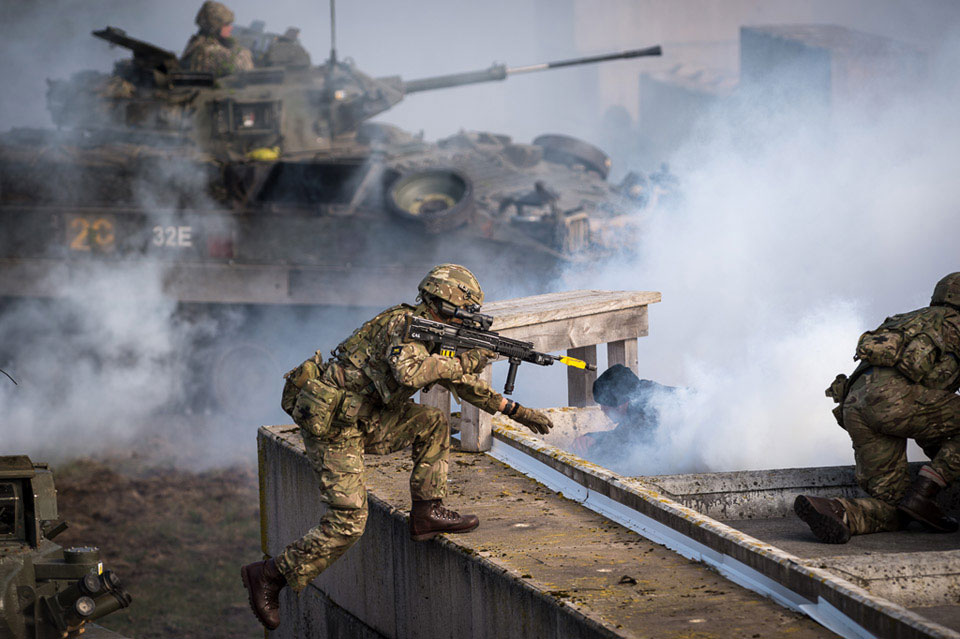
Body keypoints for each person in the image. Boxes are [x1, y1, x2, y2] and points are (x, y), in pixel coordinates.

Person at [240, 264, 553, 630]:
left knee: (433, 422)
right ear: (444, 302)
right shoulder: (404, 326)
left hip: (367, 417)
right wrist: (465, 361)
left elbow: (462, 383)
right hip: (336, 426)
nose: (468, 317)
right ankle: (271, 574)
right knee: (349, 521)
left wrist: (515, 410)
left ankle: (426, 512)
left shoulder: (433, 332)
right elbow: (411, 373)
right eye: (464, 309)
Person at [795, 272, 960, 544]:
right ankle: (924, 493)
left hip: (856, 407)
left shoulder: (907, 319)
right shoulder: (955, 324)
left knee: (898, 506)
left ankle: (837, 511)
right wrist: (945, 465)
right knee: (916, 498)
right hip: (895, 402)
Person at [570, 364, 675, 469]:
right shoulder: (638, 391)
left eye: (604, 404)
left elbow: (620, 444)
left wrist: (592, 444)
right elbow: (620, 434)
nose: (602, 409)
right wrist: (591, 437)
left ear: (619, 404)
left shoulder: (646, 410)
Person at [180, 1, 254, 77]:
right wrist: (236, 46)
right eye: (227, 24)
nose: (230, 28)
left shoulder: (196, 43)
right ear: (216, 28)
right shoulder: (209, 50)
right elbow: (245, 67)